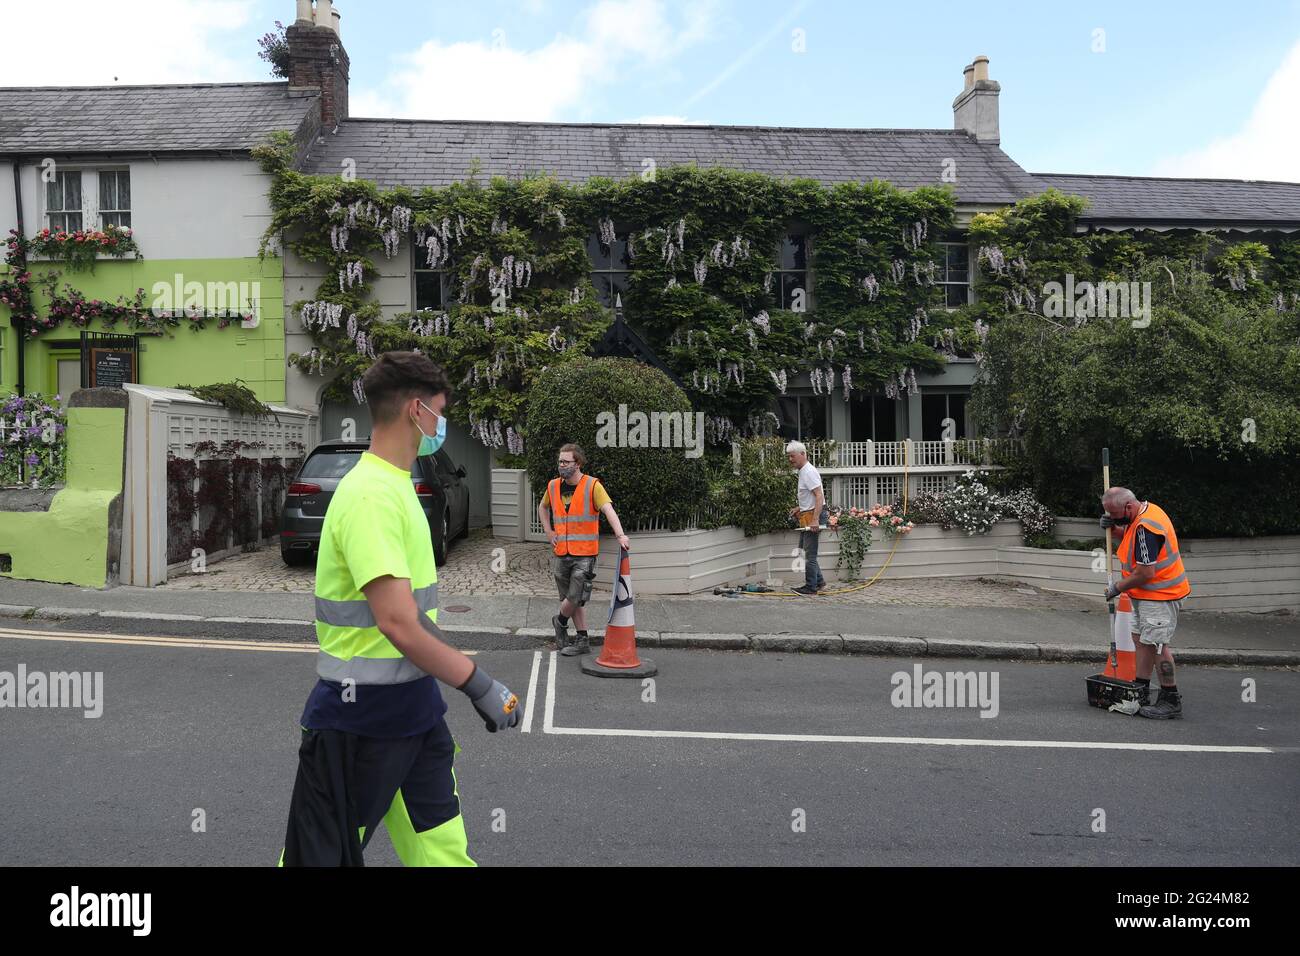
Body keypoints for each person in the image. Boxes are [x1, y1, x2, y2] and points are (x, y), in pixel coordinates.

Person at [280, 351, 520, 867]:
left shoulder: (396, 487)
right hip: (358, 722)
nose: (442, 423)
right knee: (318, 859)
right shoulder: (370, 496)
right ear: (416, 411)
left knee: (442, 851)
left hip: (414, 711)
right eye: (440, 410)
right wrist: (479, 683)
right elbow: (396, 621)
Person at [1100, 486, 1192, 719]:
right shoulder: (1145, 512)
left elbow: (1145, 573)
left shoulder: (1146, 528)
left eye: (1115, 513)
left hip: (1160, 595)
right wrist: (1117, 530)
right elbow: (1133, 542)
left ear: (1128, 507)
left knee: (1158, 645)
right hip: (1148, 595)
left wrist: (1116, 588)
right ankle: (1140, 690)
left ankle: (1170, 698)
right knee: (1142, 641)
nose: (1113, 517)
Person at [538, 443, 630, 656]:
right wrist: (549, 531)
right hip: (561, 551)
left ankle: (559, 621)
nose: (562, 465)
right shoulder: (553, 486)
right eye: (560, 461)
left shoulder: (592, 485)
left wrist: (620, 535)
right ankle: (582, 639)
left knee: (575, 595)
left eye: (566, 462)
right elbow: (542, 507)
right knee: (570, 599)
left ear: (577, 463)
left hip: (585, 553)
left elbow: (608, 509)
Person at [785, 440, 827, 595]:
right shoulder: (804, 470)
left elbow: (819, 496)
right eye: (789, 457)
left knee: (810, 555)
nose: (790, 459)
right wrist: (799, 508)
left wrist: (815, 520)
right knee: (805, 551)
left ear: (802, 454)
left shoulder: (808, 471)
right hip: (808, 514)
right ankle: (820, 582)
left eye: (793, 456)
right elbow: (812, 496)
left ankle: (811, 587)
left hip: (813, 516)